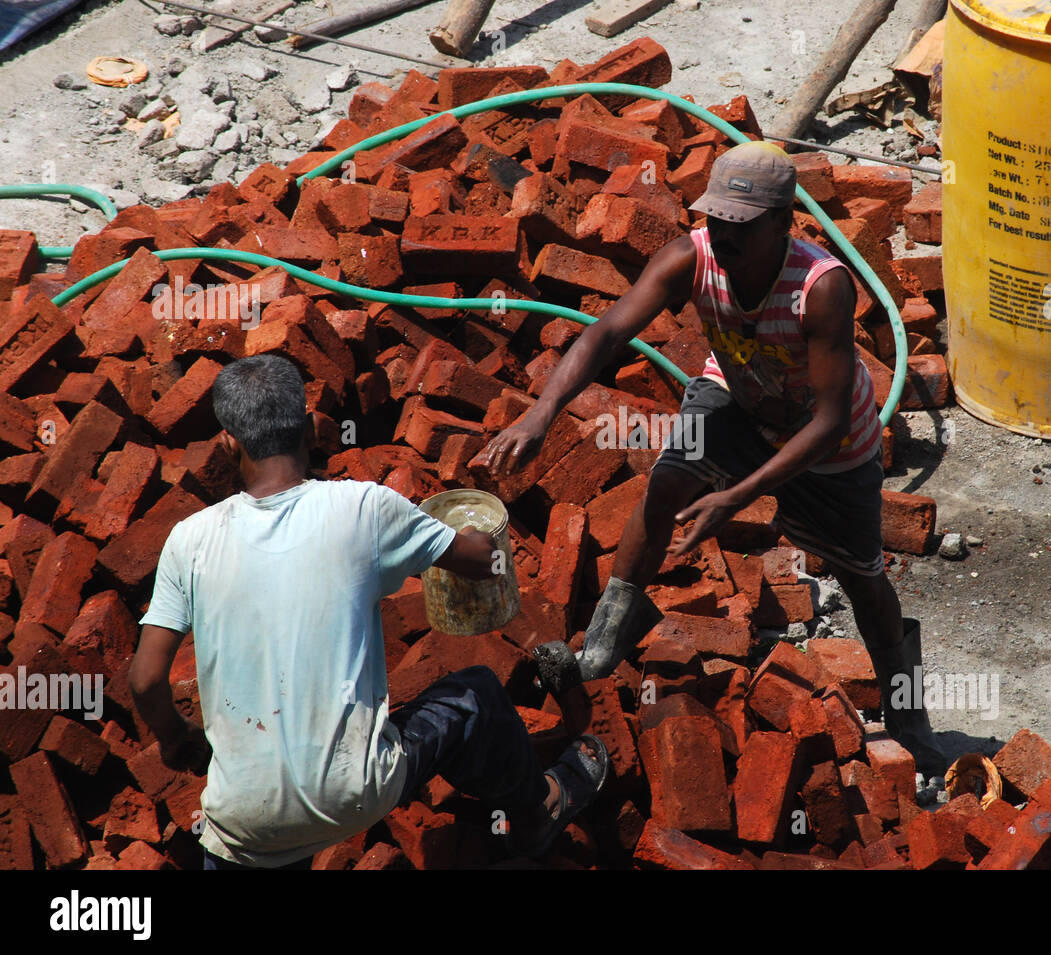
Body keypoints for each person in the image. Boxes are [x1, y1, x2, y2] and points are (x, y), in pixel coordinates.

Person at [481, 141, 947, 780]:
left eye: (741, 225)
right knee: (669, 478)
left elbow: (830, 420)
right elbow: (609, 331)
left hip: (828, 442)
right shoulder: (689, 257)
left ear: (783, 223)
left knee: (862, 576)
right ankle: (607, 639)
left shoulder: (821, 289)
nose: (722, 234)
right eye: (716, 218)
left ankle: (907, 710)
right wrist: (541, 413)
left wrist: (738, 495)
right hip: (736, 396)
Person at [129, 354, 607, 869]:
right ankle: (537, 812)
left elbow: (146, 679)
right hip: (356, 791)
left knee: (250, 842)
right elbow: (484, 562)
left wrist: (178, 741)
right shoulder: (364, 508)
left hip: (243, 821)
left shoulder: (189, 540)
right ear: (309, 427)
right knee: (476, 696)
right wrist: (474, 532)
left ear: (229, 442)